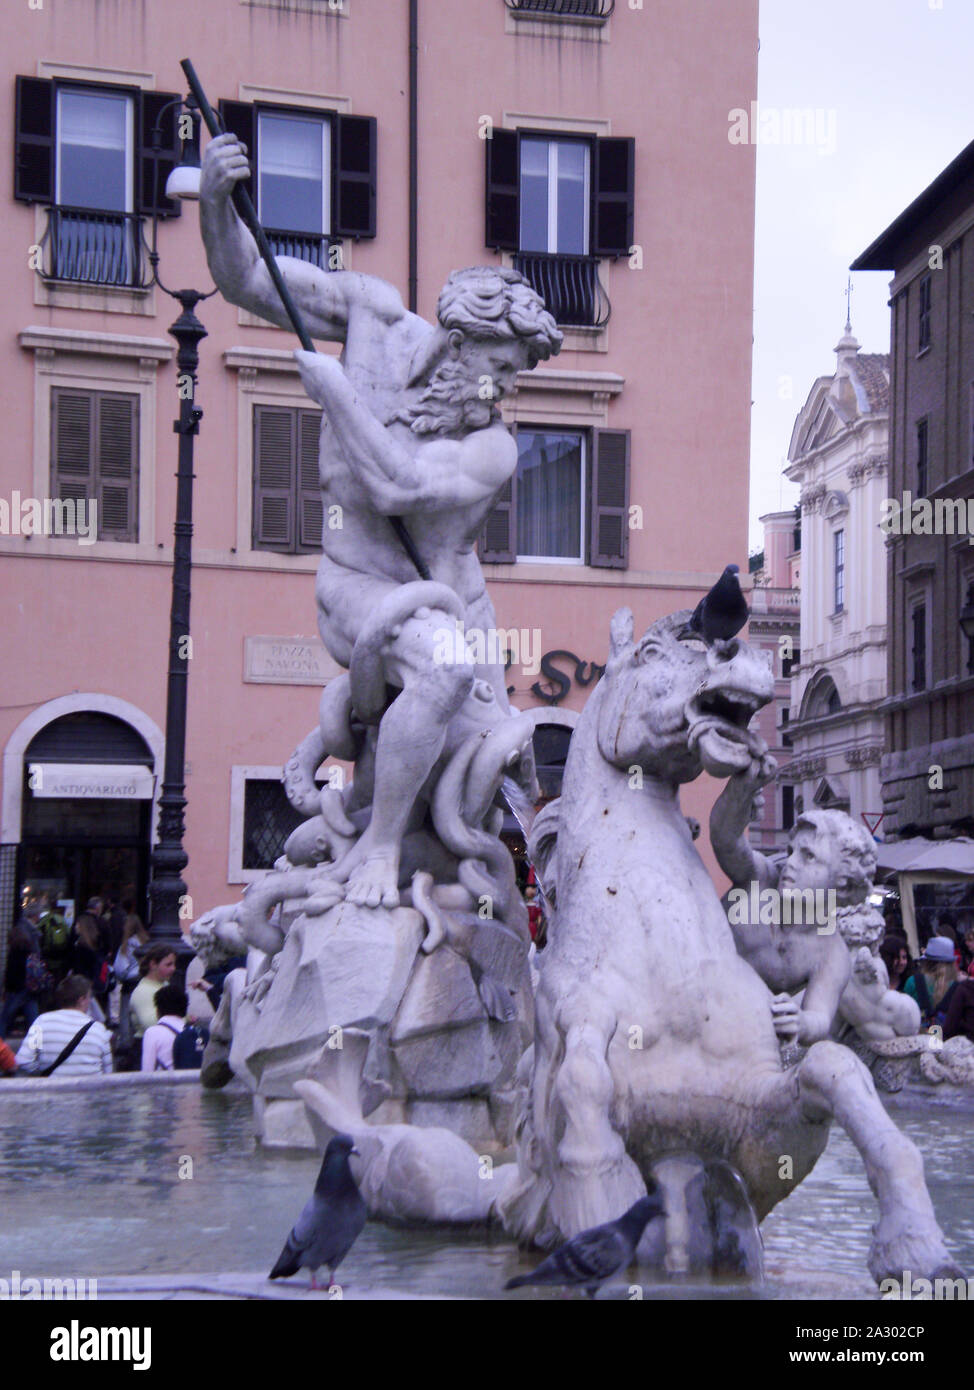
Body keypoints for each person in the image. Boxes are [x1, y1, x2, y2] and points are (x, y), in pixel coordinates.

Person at [15, 975, 112, 1076]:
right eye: (89, 997)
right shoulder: (99, 1030)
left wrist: (43, 1071)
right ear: (82, 999)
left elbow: (23, 1060)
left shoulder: (41, 1022)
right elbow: (108, 1073)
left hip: (52, 1090)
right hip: (90, 1090)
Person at [0, 903, 44, 1038]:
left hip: (19, 981)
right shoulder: (30, 933)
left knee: (8, 1016)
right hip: (26, 981)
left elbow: (13, 961)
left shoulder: (19, 930)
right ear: (35, 916)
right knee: (29, 1017)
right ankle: (36, 1047)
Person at [904, 937, 960, 1028]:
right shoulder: (959, 988)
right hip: (950, 1040)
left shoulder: (912, 982)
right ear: (952, 964)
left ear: (926, 961)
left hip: (919, 1039)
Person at [129, 946, 178, 1039]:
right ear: (153, 965)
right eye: (168, 965)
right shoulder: (143, 991)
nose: (173, 968)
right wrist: (183, 1019)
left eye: (174, 964)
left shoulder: (165, 985)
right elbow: (151, 1023)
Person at [141, 982, 189, 1072]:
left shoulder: (152, 1033)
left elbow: (147, 1071)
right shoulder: (191, 1032)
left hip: (167, 1084)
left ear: (158, 1009)